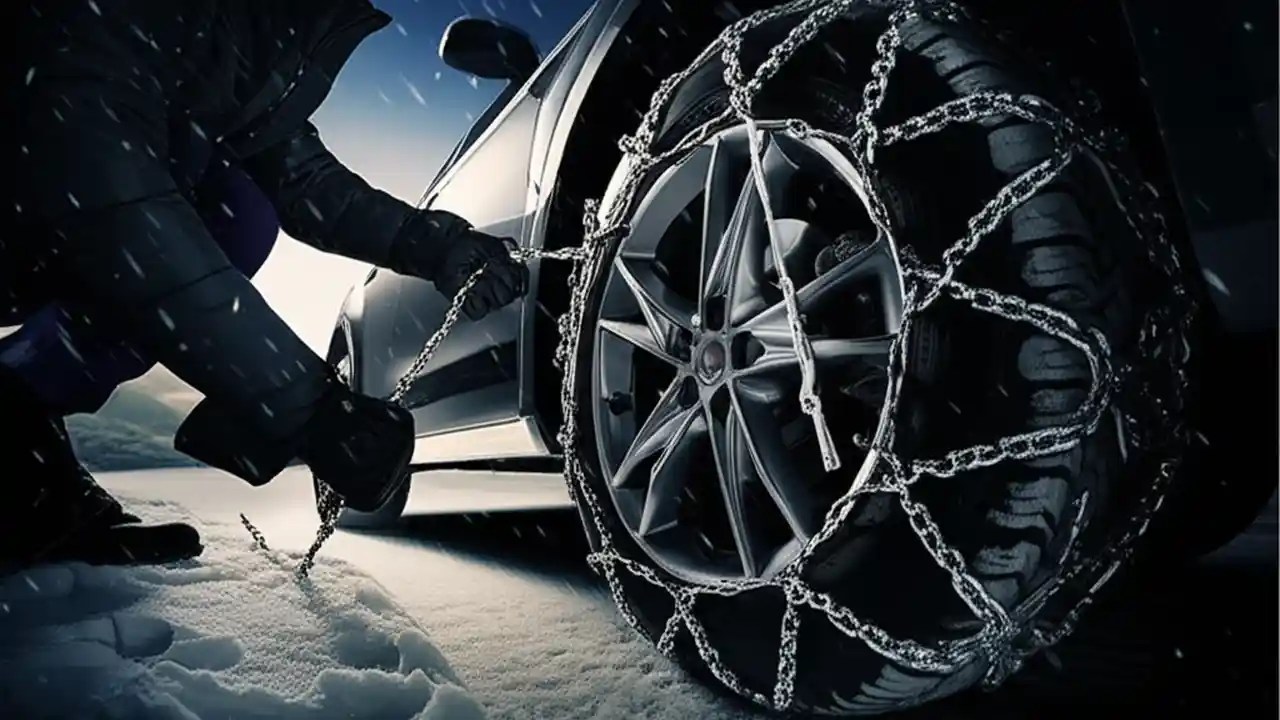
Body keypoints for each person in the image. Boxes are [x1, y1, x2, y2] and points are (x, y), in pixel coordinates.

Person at [1, 0, 530, 569]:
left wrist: (438, 245)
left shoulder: (262, 30)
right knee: (202, 223)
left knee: (240, 211)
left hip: (54, 207)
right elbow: (117, 199)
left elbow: (298, 177)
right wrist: (309, 408)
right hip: (46, 181)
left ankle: (18, 443)